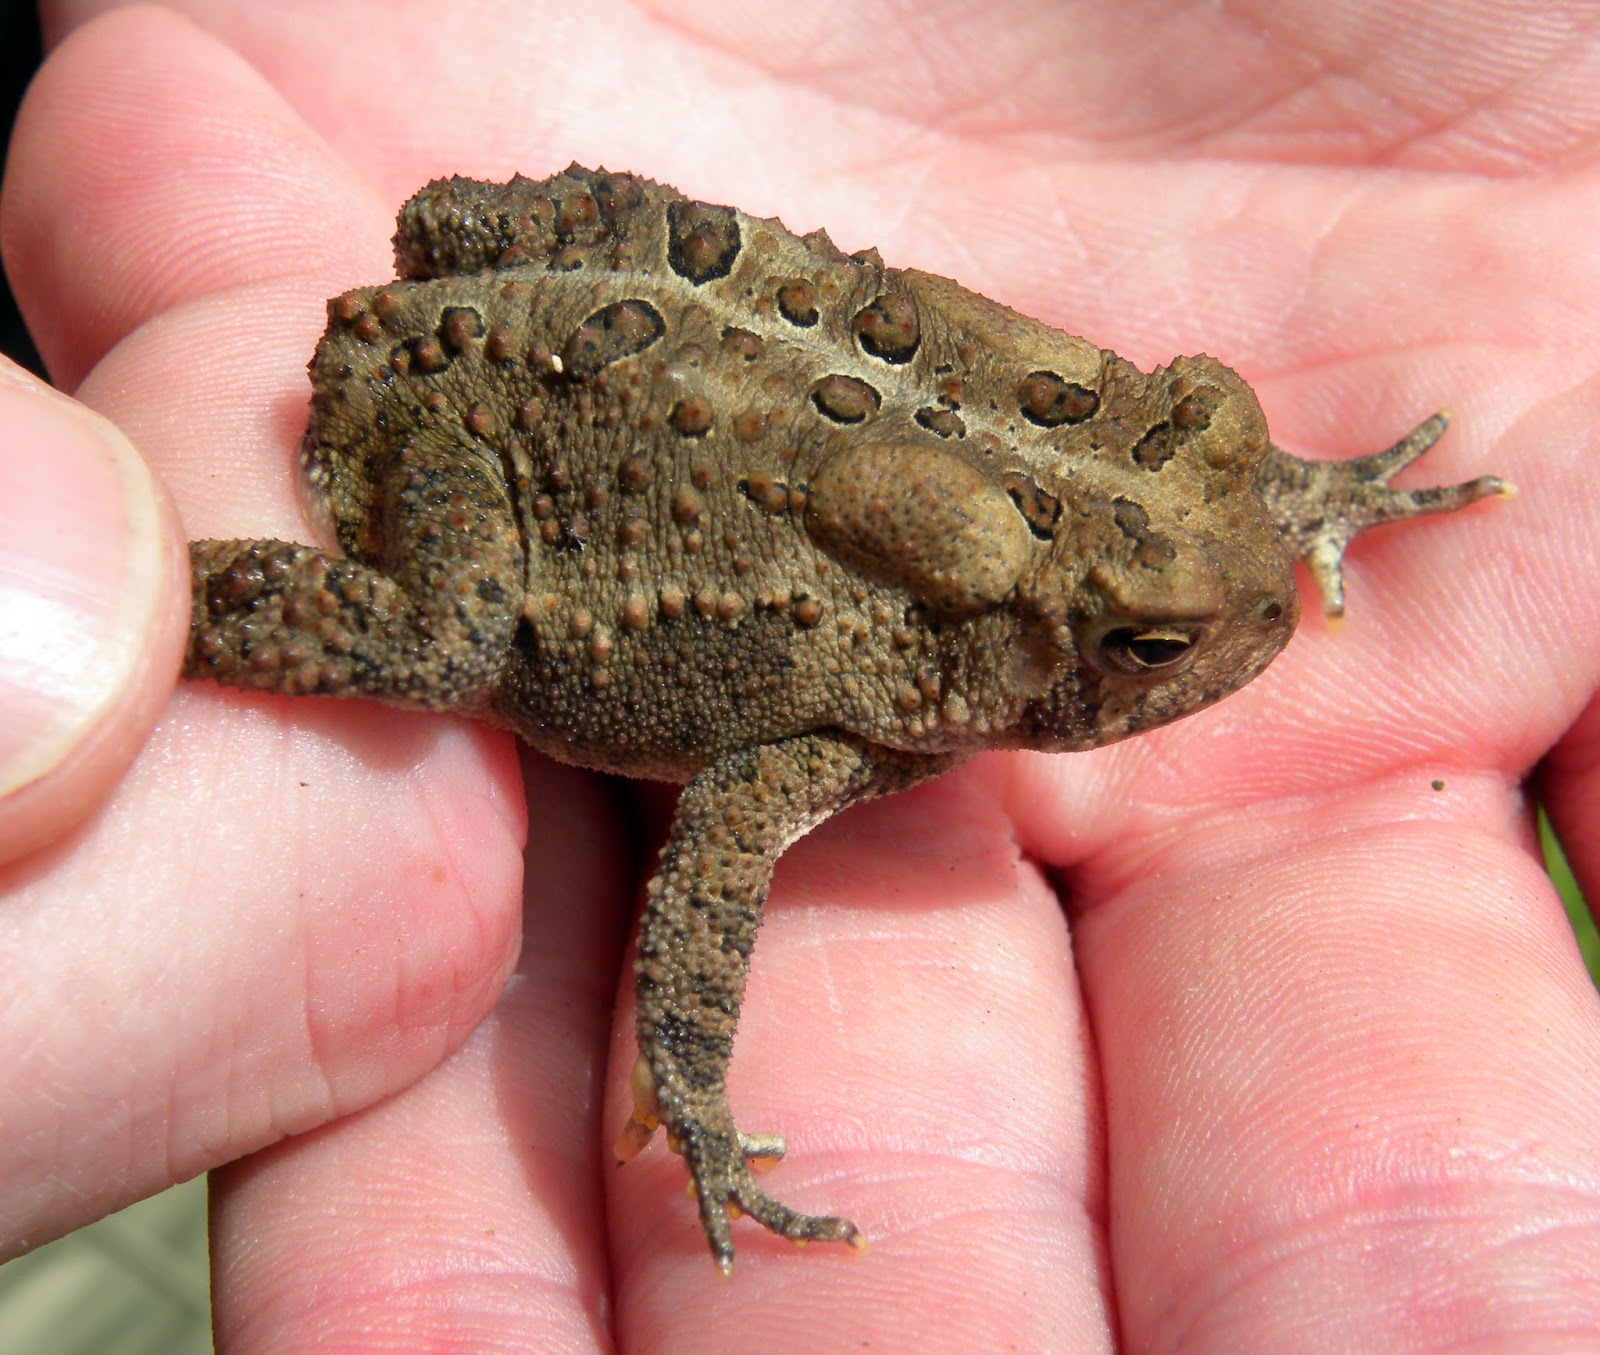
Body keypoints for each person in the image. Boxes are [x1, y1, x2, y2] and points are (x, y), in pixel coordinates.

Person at [3, 1, 1596, 1347]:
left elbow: (1177, 465)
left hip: (567, 287)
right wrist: (686, 1089)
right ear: (1011, 653)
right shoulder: (877, 694)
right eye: (1151, 652)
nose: (1222, 643)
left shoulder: (987, 606)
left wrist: (1296, 495)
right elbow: (716, 852)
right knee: (436, 645)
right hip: (471, 425)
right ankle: (165, 599)